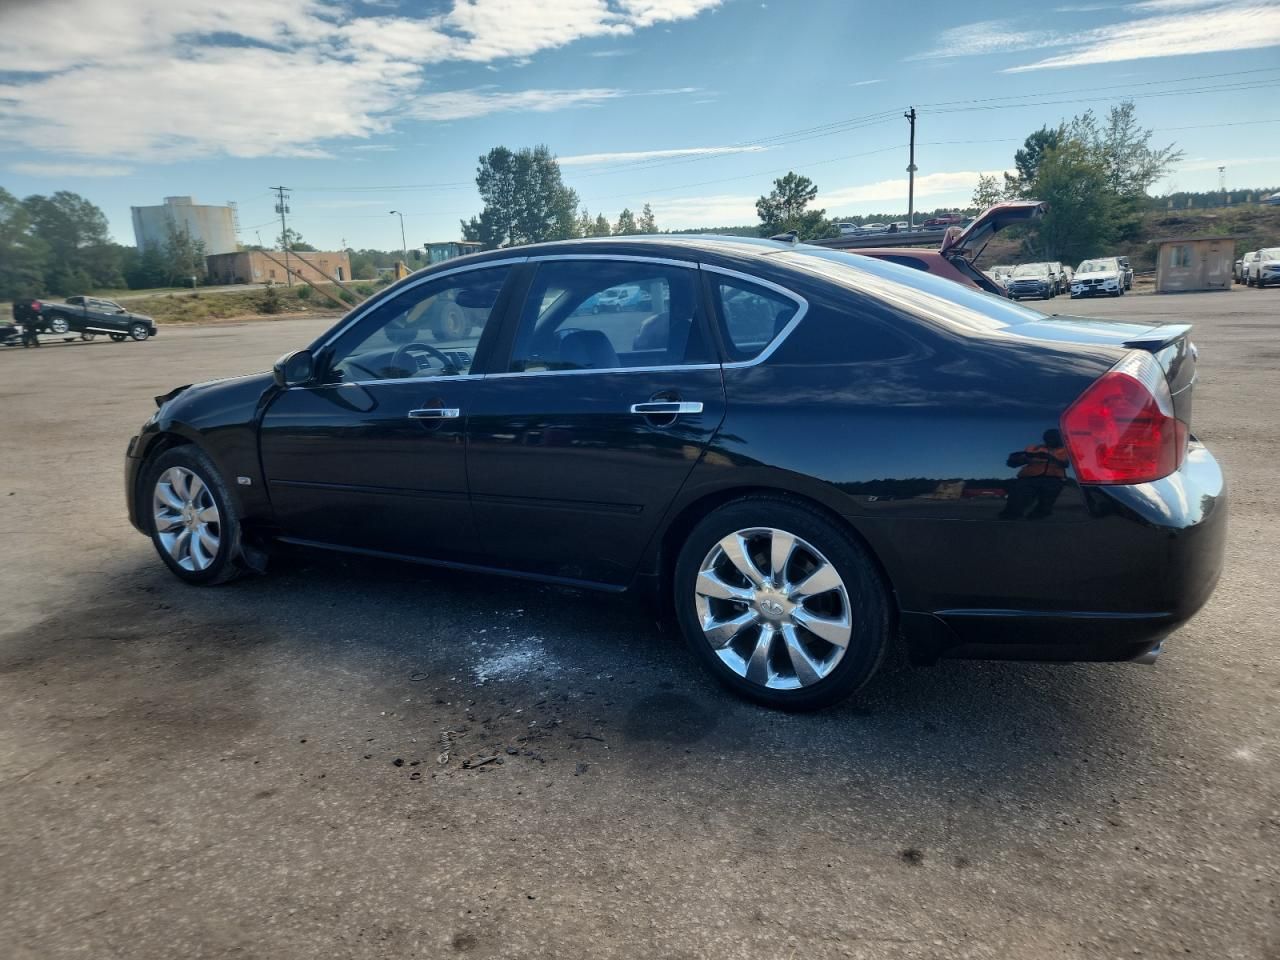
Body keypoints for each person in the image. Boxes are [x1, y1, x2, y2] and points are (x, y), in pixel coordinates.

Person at [999, 428, 1069, 519]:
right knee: (1017, 500)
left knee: (1046, 505)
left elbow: (1067, 463)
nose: (1051, 439)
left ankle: (1035, 519)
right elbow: (1016, 462)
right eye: (1048, 437)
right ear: (1045, 438)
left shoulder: (1067, 450)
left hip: (1053, 479)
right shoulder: (1034, 448)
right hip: (1029, 478)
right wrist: (1021, 458)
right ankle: (1009, 517)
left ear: (1061, 438)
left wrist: (1050, 457)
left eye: (1054, 437)